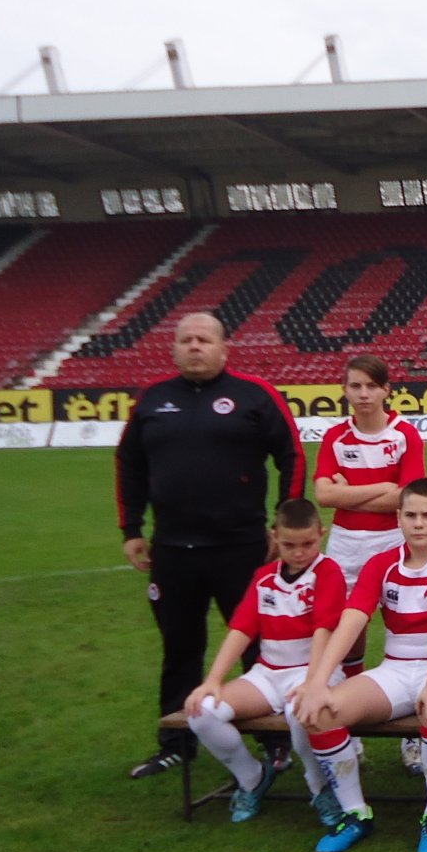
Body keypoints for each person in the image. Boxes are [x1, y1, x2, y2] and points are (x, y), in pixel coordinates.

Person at [116, 311, 304, 780]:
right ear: (174, 349)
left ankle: (274, 740)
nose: (194, 346)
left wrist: (284, 522)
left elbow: (292, 454)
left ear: (224, 349)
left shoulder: (253, 395)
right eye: (186, 340)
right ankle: (176, 743)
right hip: (173, 551)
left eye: (204, 339)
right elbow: (128, 464)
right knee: (180, 646)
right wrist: (131, 529)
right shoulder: (154, 400)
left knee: (260, 647)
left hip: (241, 548)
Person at [291, 479, 427, 852]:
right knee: (320, 713)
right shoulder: (380, 564)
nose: (419, 524)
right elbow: (351, 621)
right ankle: (355, 812)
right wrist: (317, 681)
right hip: (394, 668)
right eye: (410, 515)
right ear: (398, 518)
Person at [183, 498, 347, 824]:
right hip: (268, 675)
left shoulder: (328, 572)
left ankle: (321, 788)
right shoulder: (263, 577)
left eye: (308, 544)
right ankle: (253, 778)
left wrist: (313, 683)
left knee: (303, 712)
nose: (298, 552)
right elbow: (241, 630)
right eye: (288, 544)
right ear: (274, 536)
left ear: (321, 534)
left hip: (315, 672)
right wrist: (213, 680)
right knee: (202, 712)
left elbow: (323, 631)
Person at [311, 353, 425, 678]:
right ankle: (351, 691)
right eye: (356, 386)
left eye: (371, 386)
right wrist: (384, 487)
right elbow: (323, 495)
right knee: (347, 620)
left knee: (405, 616)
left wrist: (347, 495)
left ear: (386, 390)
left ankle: (406, 691)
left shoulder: (405, 434)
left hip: (393, 539)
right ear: (344, 389)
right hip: (345, 543)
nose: (363, 394)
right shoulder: (335, 436)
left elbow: (409, 497)